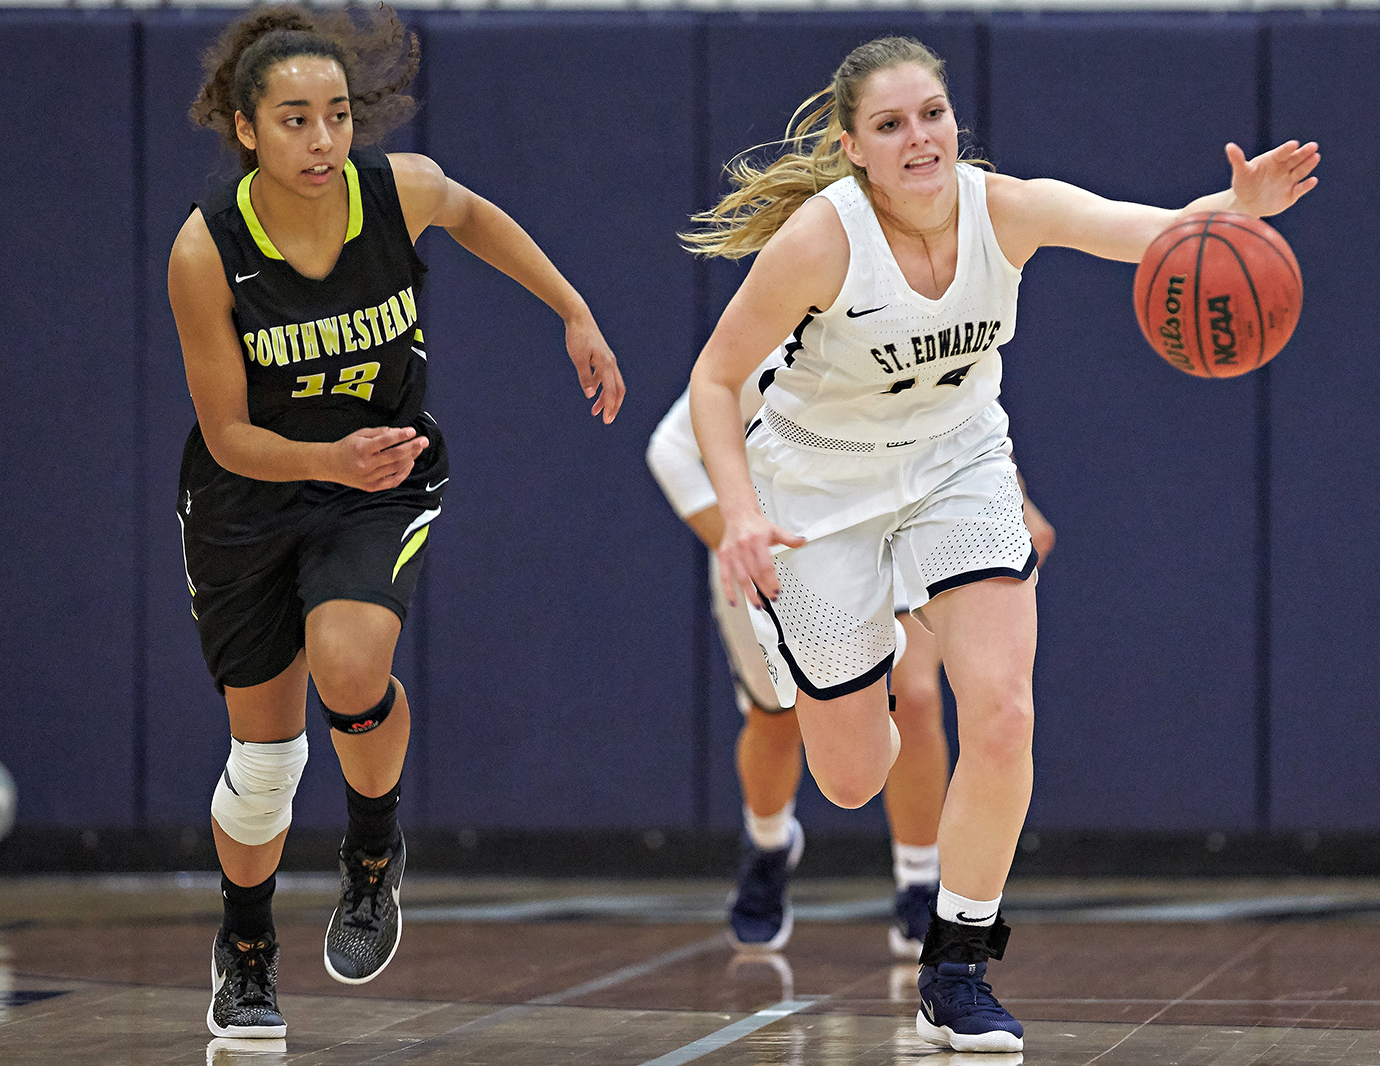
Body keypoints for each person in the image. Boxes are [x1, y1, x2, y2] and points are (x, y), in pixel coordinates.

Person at [682, 36, 1317, 1052]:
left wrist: (1235, 211)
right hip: (819, 491)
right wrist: (742, 515)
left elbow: (1151, 233)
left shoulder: (1004, 207)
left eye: (931, 113)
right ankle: (874, 640)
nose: (919, 136)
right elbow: (714, 380)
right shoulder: (821, 240)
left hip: (956, 465)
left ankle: (957, 967)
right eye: (890, 123)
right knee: (850, 777)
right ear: (852, 147)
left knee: (1004, 712)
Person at [169, 4, 623, 1039]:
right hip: (250, 497)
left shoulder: (396, 190)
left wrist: (572, 310)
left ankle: (372, 850)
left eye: (336, 115)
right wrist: (323, 458)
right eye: (295, 120)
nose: (322, 139)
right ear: (246, 128)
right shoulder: (206, 250)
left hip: (377, 480)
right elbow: (229, 435)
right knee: (264, 765)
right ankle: (246, 945)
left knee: (349, 662)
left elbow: (473, 214)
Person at [646, 369, 1055, 958]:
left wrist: (1015, 498)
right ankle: (769, 844)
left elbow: (955, 405)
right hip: (789, 542)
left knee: (917, 701)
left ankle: (920, 881)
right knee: (778, 720)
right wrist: (742, 543)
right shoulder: (783, 335)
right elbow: (672, 447)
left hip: (897, 519)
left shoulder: (908, 323)